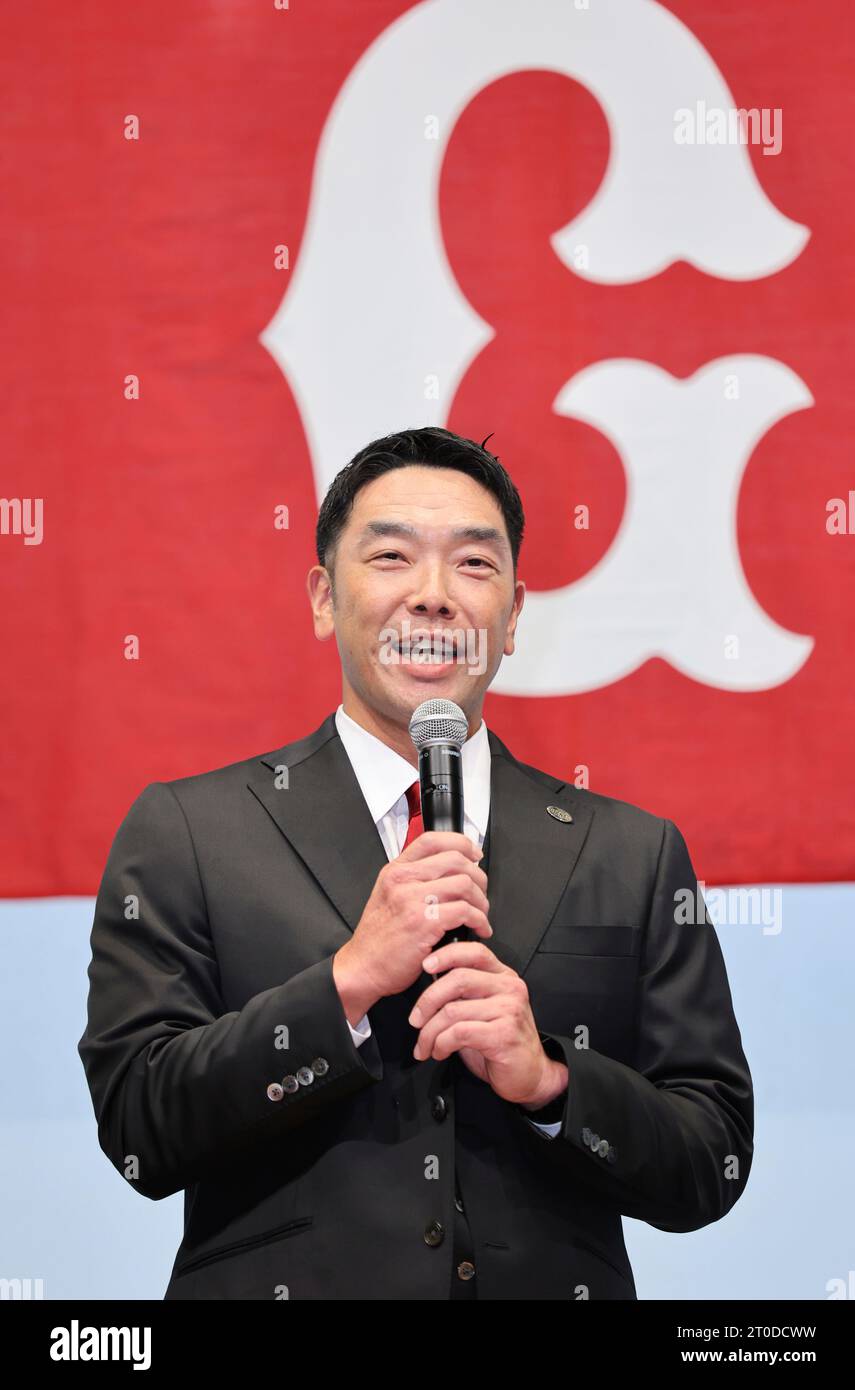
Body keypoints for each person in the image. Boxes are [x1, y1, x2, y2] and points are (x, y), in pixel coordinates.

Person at [78, 425, 754, 1300]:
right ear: (324, 597)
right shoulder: (190, 830)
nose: (433, 597)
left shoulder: (630, 851)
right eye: (391, 557)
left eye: (474, 566)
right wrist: (346, 986)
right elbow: (139, 1124)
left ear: (512, 620)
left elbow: (714, 1155)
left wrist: (551, 1079)